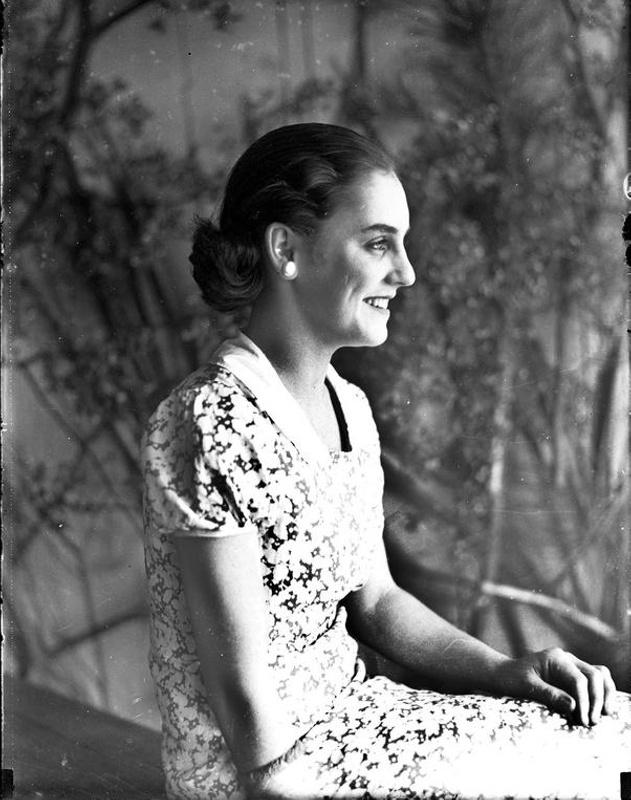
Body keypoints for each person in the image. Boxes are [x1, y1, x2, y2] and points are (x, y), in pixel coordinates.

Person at [142, 123, 630, 800]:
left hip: (349, 724)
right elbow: (239, 688)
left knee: (610, 736)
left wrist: (504, 671)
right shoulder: (208, 419)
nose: (406, 273)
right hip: (257, 769)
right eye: (378, 244)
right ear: (285, 248)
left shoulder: (348, 408)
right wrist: (278, 784)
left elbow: (375, 602)